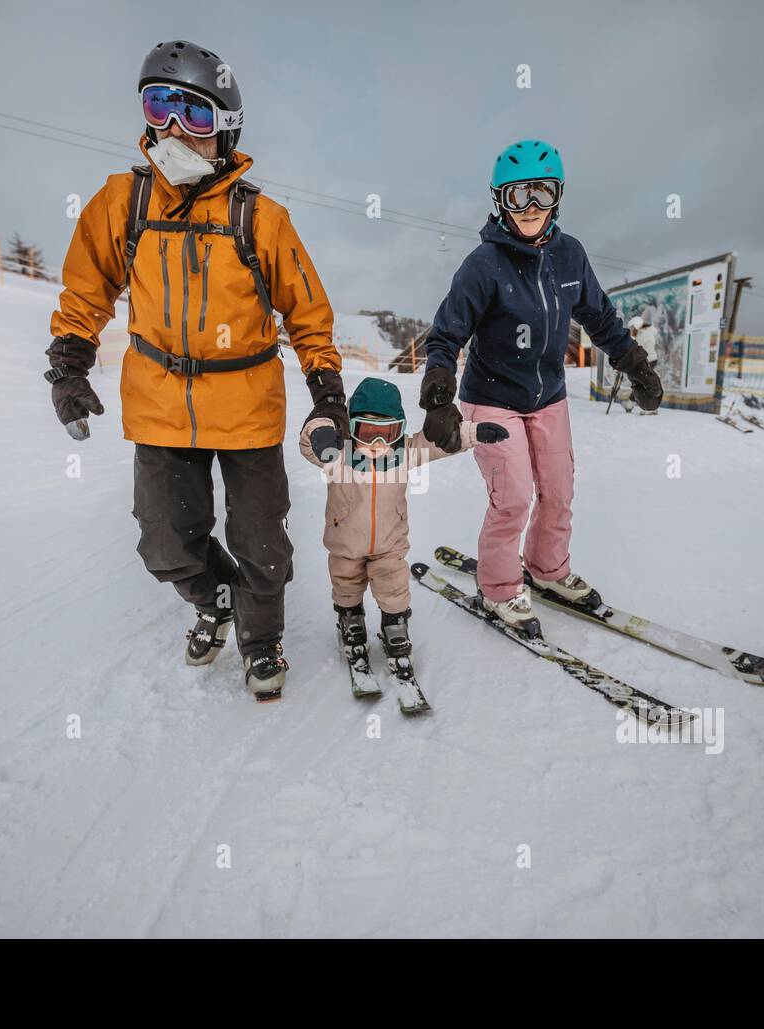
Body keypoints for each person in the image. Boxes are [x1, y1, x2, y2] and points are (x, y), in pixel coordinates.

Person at [43, 40, 346, 702]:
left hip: (246, 406)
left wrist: (328, 394)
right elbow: (86, 289)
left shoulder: (260, 217)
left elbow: (308, 315)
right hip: (159, 401)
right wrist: (67, 359)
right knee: (164, 543)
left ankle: (261, 641)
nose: (174, 127)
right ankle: (216, 598)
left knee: (262, 540)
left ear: (226, 129)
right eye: (161, 106)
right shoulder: (123, 203)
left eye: (195, 114)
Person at [418, 140, 662, 629]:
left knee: (558, 489)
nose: (530, 208)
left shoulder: (570, 257)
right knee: (512, 497)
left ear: (558, 197)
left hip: (548, 396)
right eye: (517, 196)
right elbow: (445, 334)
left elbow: (601, 317)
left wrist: (634, 363)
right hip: (491, 398)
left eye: (541, 194)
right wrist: (440, 396)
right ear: (499, 201)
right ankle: (501, 589)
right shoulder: (483, 265)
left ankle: (549, 570)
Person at [300, 377, 507, 667]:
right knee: (345, 583)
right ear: (351, 425)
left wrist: (473, 433)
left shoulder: (402, 453)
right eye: (368, 431)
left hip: (389, 543)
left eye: (388, 432)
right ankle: (351, 618)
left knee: (393, 584)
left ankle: (394, 624)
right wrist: (319, 431)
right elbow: (310, 445)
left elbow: (440, 442)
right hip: (344, 541)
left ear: (399, 430)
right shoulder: (339, 454)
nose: (377, 443)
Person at [621, 312, 660, 415]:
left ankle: (647, 407)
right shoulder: (646, 332)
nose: (632, 331)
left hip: (648, 361)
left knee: (642, 384)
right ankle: (632, 403)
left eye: (632, 328)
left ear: (637, 326)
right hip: (649, 360)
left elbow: (635, 348)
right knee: (641, 384)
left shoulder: (644, 334)